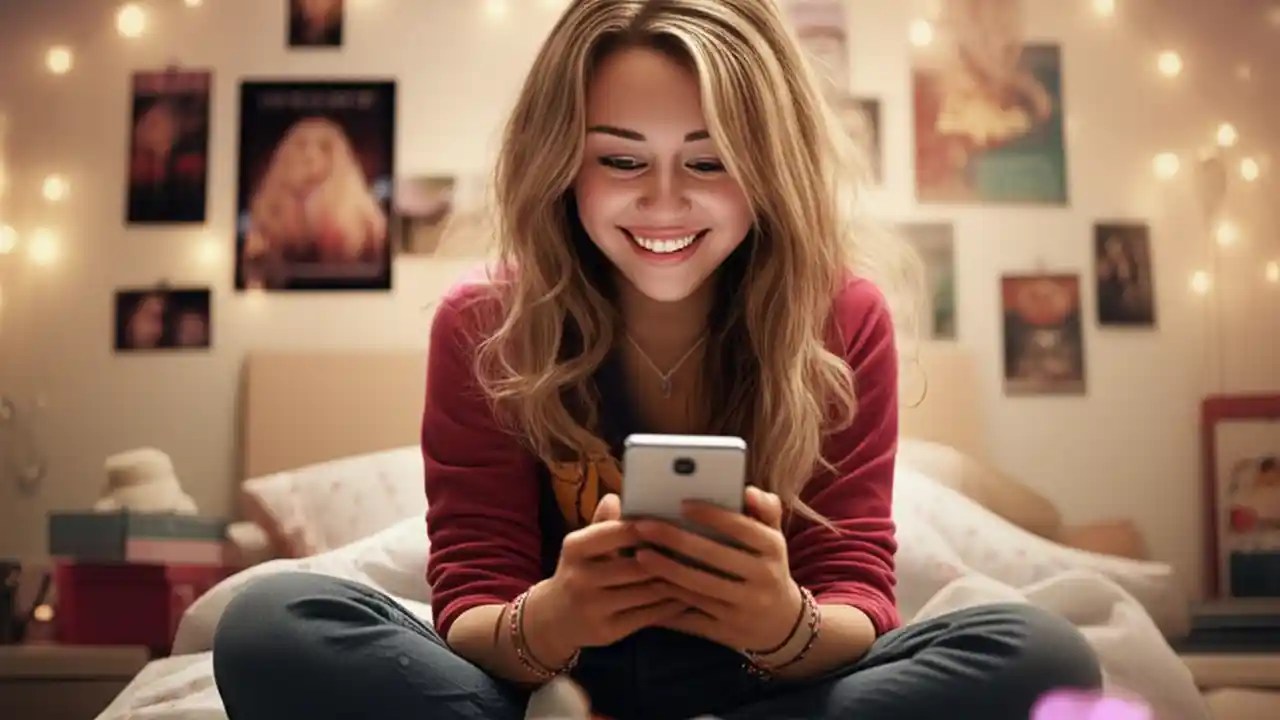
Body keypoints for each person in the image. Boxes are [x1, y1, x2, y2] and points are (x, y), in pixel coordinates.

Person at [211, 2, 1101, 719]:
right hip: (543, 689)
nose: (665, 201)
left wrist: (781, 623)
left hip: (770, 687)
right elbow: (472, 598)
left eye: (709, 161)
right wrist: (553, 617)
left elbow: (857, 597)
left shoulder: (841, 318)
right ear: (563, 162)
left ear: (770, 166)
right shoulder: (487, 323)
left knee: (1043, 654)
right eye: (622, 158)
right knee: (266, 625)